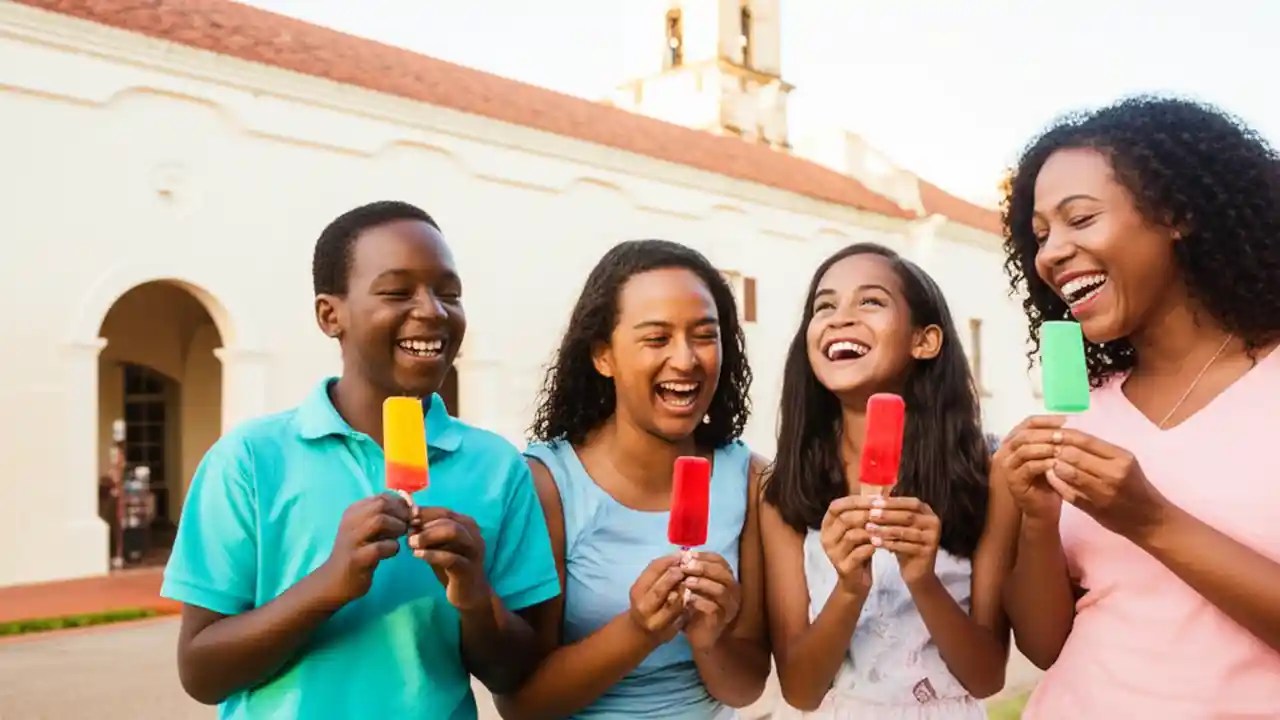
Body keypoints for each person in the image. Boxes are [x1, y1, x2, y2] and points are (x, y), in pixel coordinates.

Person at [161, 201, 560, 719]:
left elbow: (516, 673)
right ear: (331, 315)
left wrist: (474, 596)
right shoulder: (249, 460)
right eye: (397, 291)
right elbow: (201, 672)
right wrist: (328, 585)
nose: (432, 310)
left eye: (449, 293)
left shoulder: (497, 467)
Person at [997, 95, 1280, 717]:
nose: (1051, 253)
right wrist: (1037, 522)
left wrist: (1151, 521)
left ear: (1176, 213)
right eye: (1040, 235)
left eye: (1080, 219)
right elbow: (1045, 647)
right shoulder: (1082, 412)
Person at [495, 239, 770, 719]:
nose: (685, 359)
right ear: (604, 356)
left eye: (704, 335)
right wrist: (639, 630)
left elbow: (746, 688)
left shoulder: (749, 479)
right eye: (657, 338)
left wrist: (710, 640)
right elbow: (522, 706)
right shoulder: (547, 484)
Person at [761, 243, 1014, 719]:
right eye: (824, 305)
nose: (840, 317)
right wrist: (849, 589)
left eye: (870, 301)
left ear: (925, 341)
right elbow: (800, 690)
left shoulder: (985, 473)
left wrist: (922, 579)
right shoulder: (785, 490)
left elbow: (987, 677)